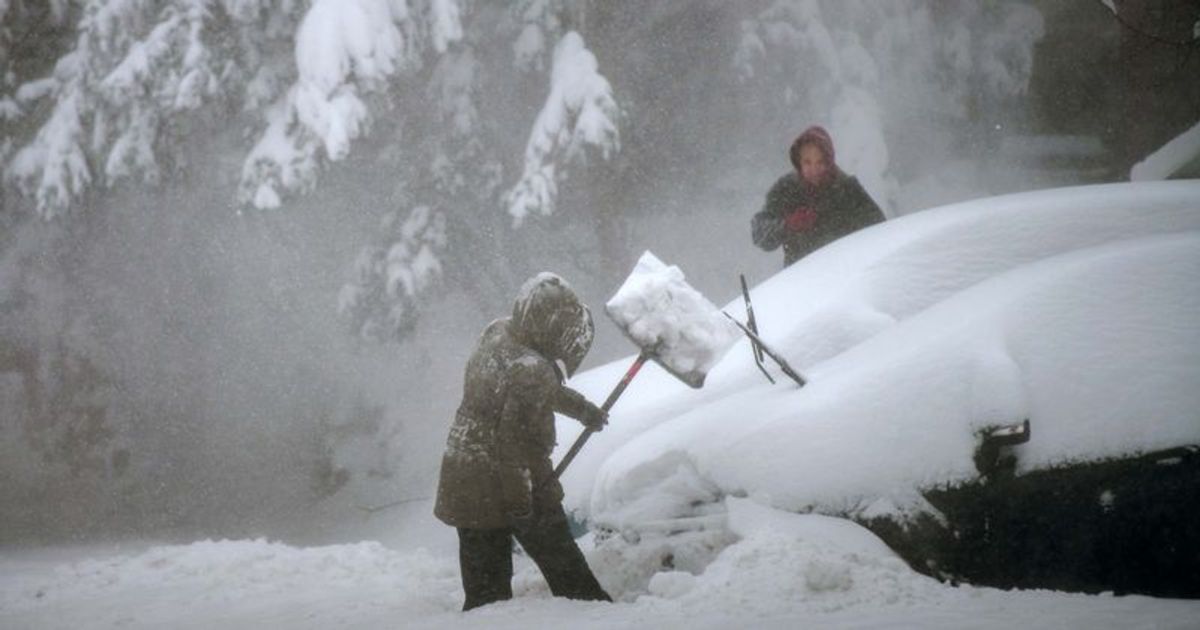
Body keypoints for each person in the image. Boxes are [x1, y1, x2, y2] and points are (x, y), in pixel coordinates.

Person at [434, 273, 613, 611]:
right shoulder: (532, 369)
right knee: (566, 568)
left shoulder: (498, 332)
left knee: (485, 591)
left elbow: (523, 387)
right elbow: (513, 446)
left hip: (463, 475)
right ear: (549, 326)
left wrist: (581, 409)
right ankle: (599, 616)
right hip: (507, 482)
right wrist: (522, 506)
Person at [752, 126, 885, 267]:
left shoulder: (847, 189)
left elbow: (879, 230)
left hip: (846, 274)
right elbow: (759, 235)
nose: (814, 170)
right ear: (799, 162)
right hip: (800, 280)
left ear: (829, 162)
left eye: (820, 162)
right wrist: (788, 225)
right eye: (807, 162)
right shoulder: (786, 189)